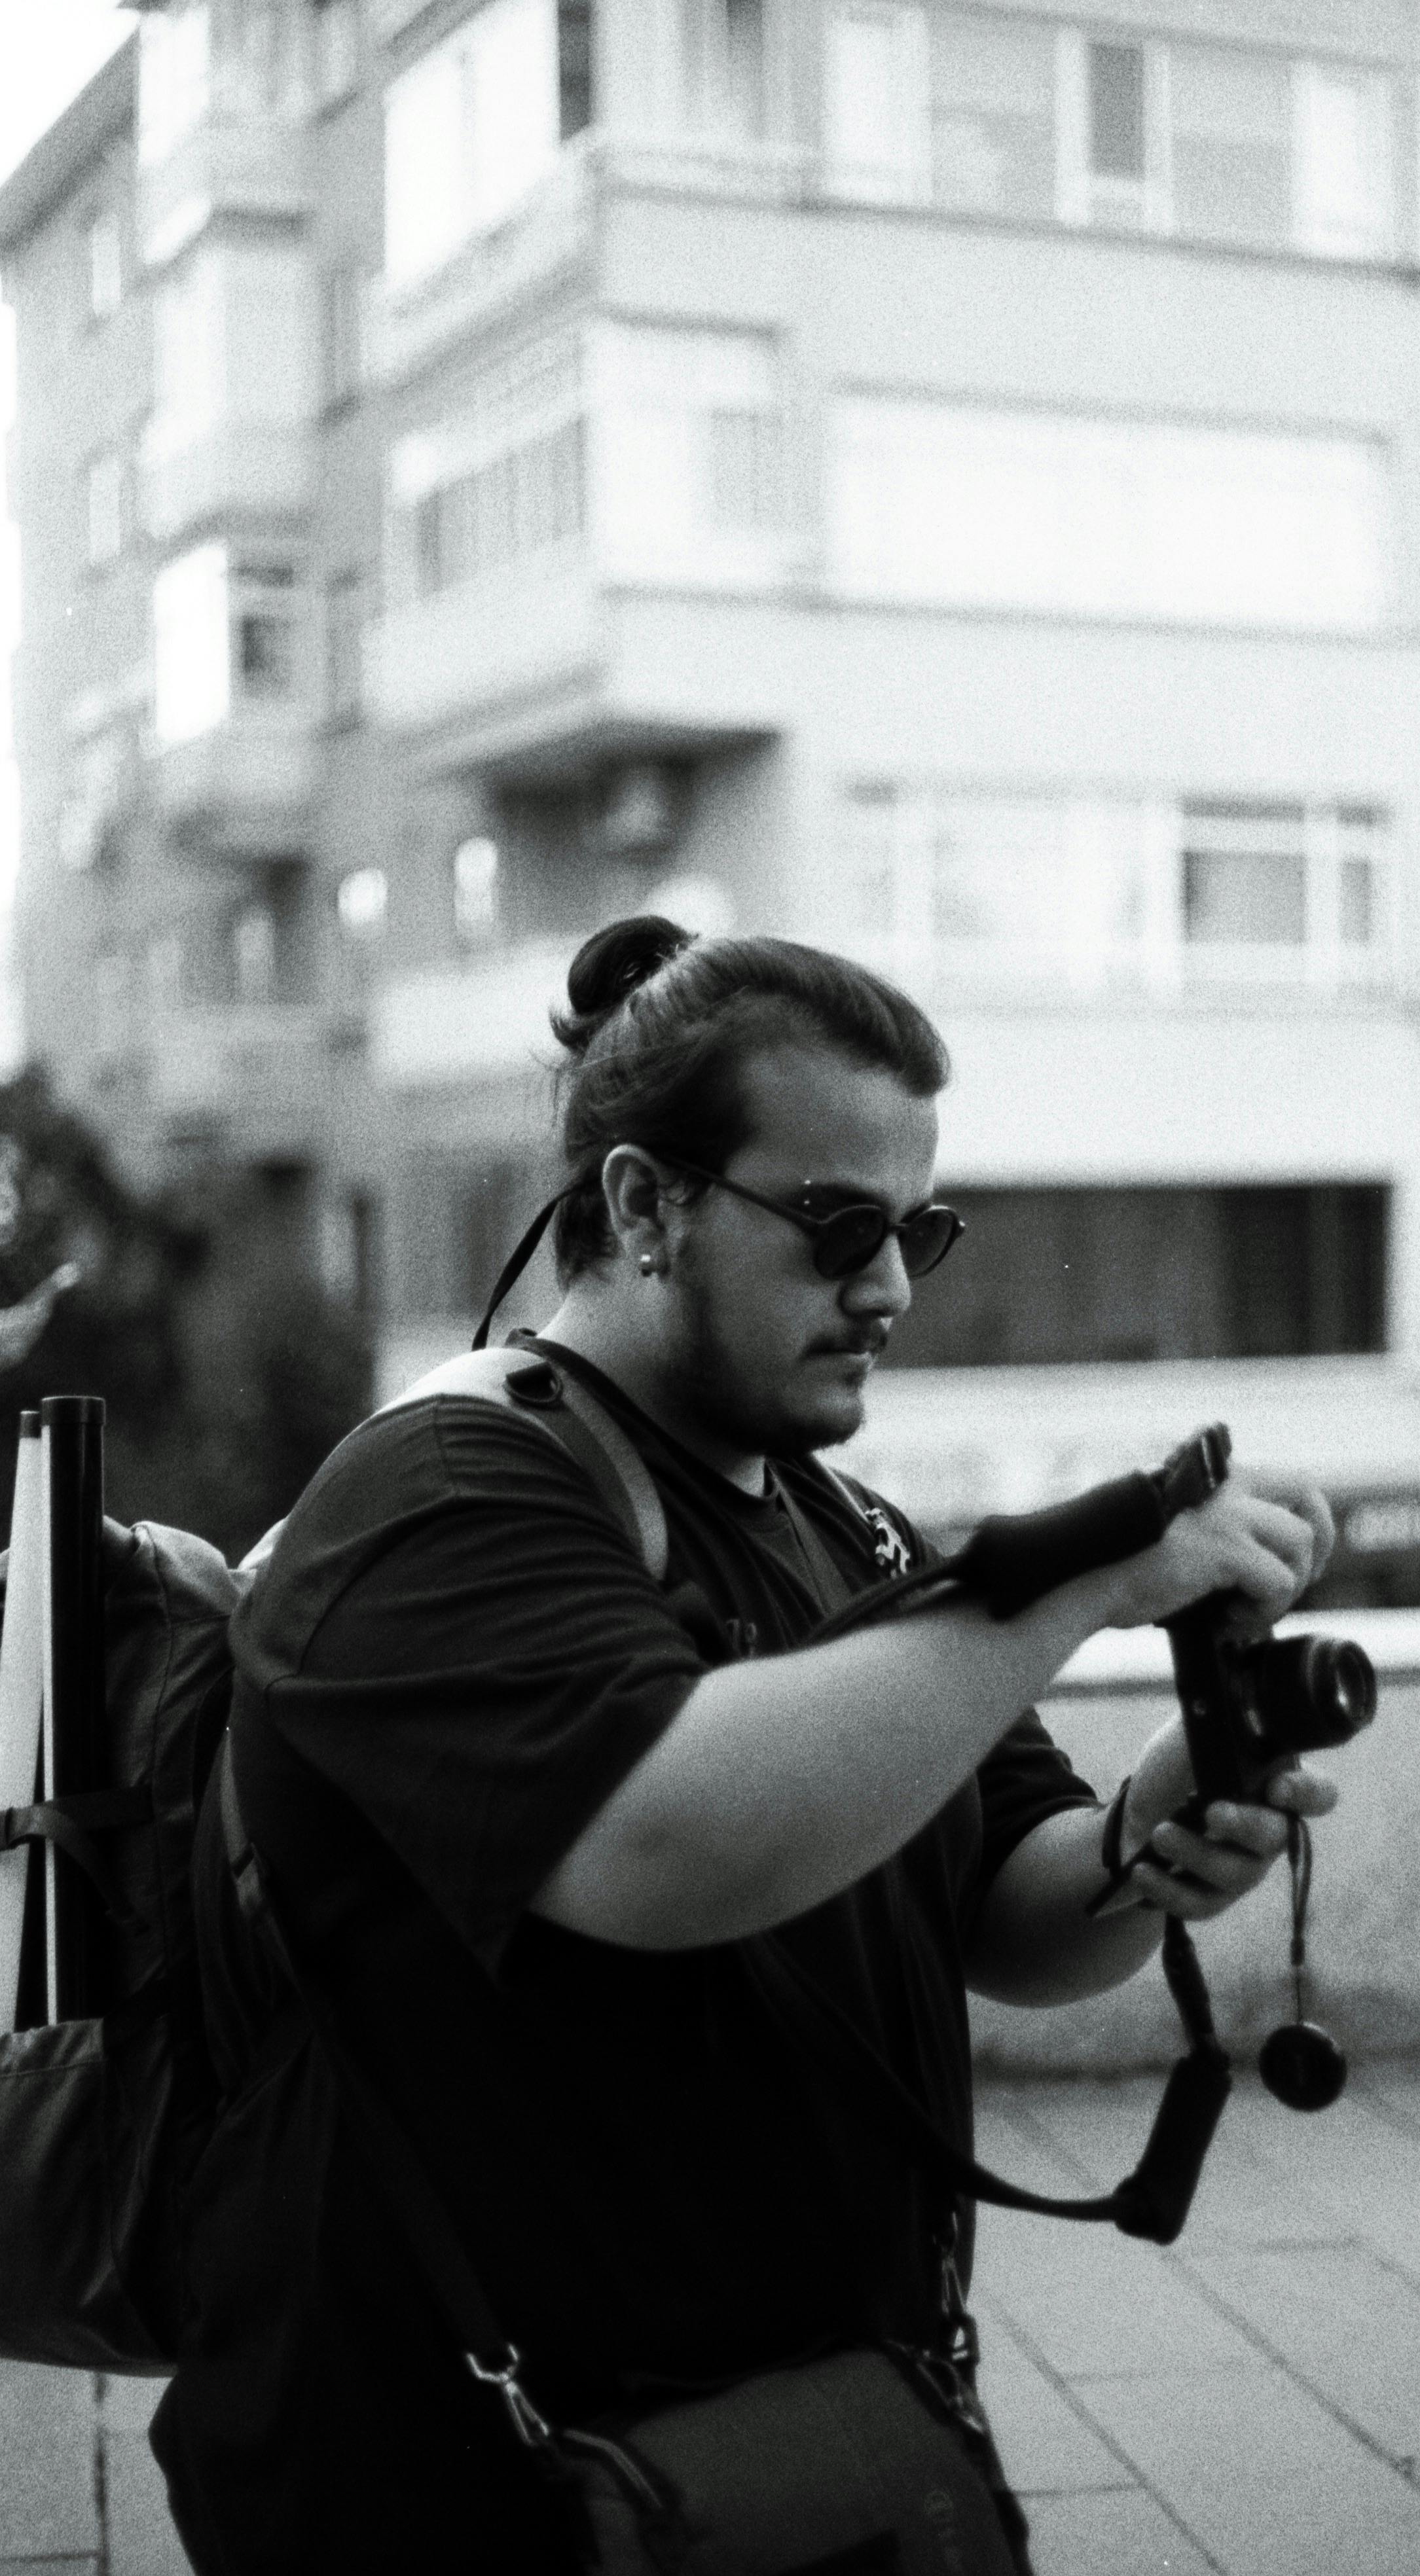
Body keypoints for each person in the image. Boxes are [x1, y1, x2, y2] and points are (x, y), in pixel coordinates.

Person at [152, 916, 1336, 2575]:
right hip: (460, 2481)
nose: (892, 1286)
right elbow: (665, 1839)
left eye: (920, 1225)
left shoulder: (843, 1526)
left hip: (798, 2452)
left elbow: (1013, 1911)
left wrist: (1160, 1829)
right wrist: (1082, 1574)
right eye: (840, 1224)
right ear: (644, 1207)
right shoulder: (440, 1497)